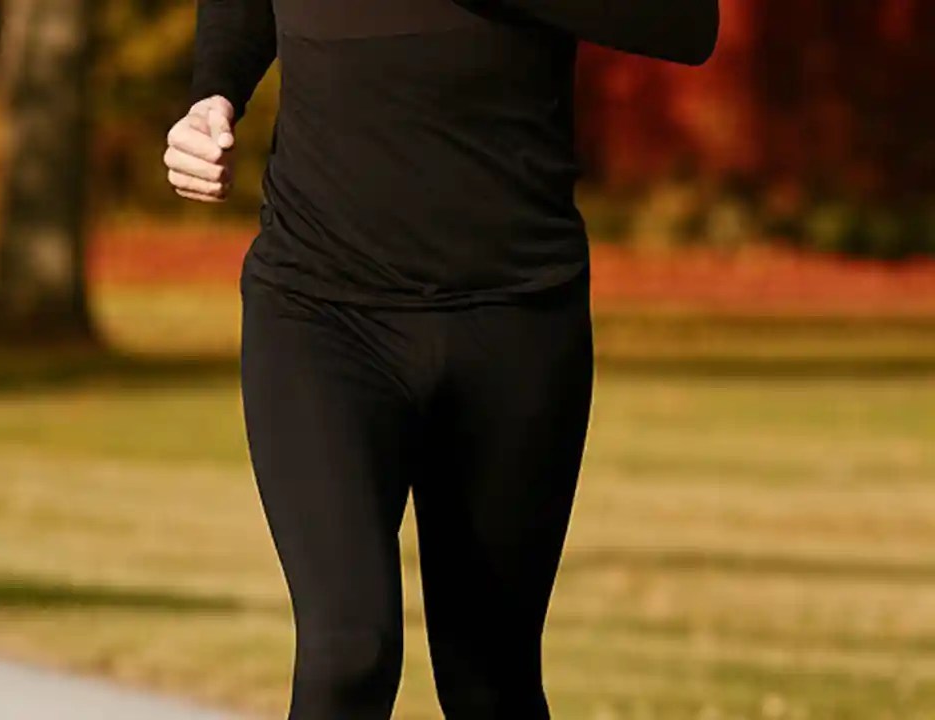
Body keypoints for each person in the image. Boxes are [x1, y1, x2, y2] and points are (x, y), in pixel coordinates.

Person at [165, 0, 718, 717]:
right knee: (348, 651)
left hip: (516, 318)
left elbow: (683, 25)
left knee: (491, 677)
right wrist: (212, 95)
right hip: (322, 313)